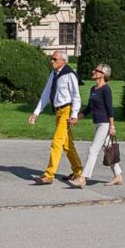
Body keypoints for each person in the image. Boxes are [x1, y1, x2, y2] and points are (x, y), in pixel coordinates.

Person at [28, 49, 85, 188]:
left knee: (57, 142)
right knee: (67, 144)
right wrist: (36, 113)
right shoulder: (53, 74)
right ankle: (78, 171)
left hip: (66, 111)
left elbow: (76, 96)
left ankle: (49, 175)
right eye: (51, 59)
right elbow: (46, 94)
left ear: (63, 61)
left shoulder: (69, 74)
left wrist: (73, 115)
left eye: (54, 59)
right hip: (58, 112)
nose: (51, 61)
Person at [84, 63, 123, 186]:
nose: (93, 71)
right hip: (97, 123)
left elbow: (109, 109)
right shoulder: (93, 89)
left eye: (96, 70)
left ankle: (83, 178)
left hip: (104, 124)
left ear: (103, 74)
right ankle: (118, 176)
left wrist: (112, 126)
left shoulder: (106, 89)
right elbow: (88, 108)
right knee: (108, 150)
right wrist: (75, 118)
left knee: (93, 150)